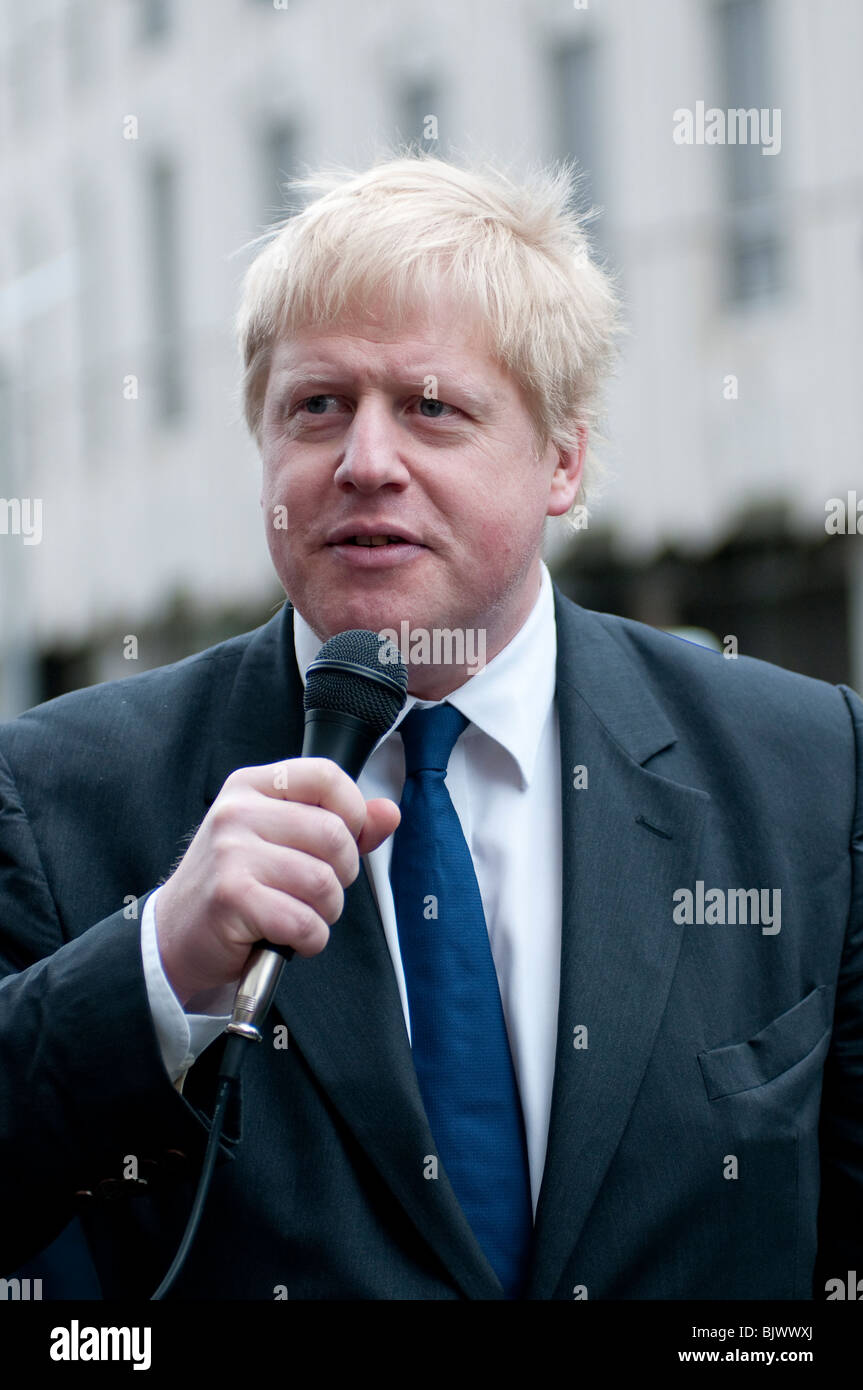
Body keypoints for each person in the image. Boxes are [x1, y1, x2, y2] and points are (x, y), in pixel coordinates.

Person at [0, 153, 860, 1300]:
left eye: (430, 408)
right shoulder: (58, 797)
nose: (364, 462)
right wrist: (157, 970)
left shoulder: (806, 770)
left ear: (562, 460)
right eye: (316, 407)